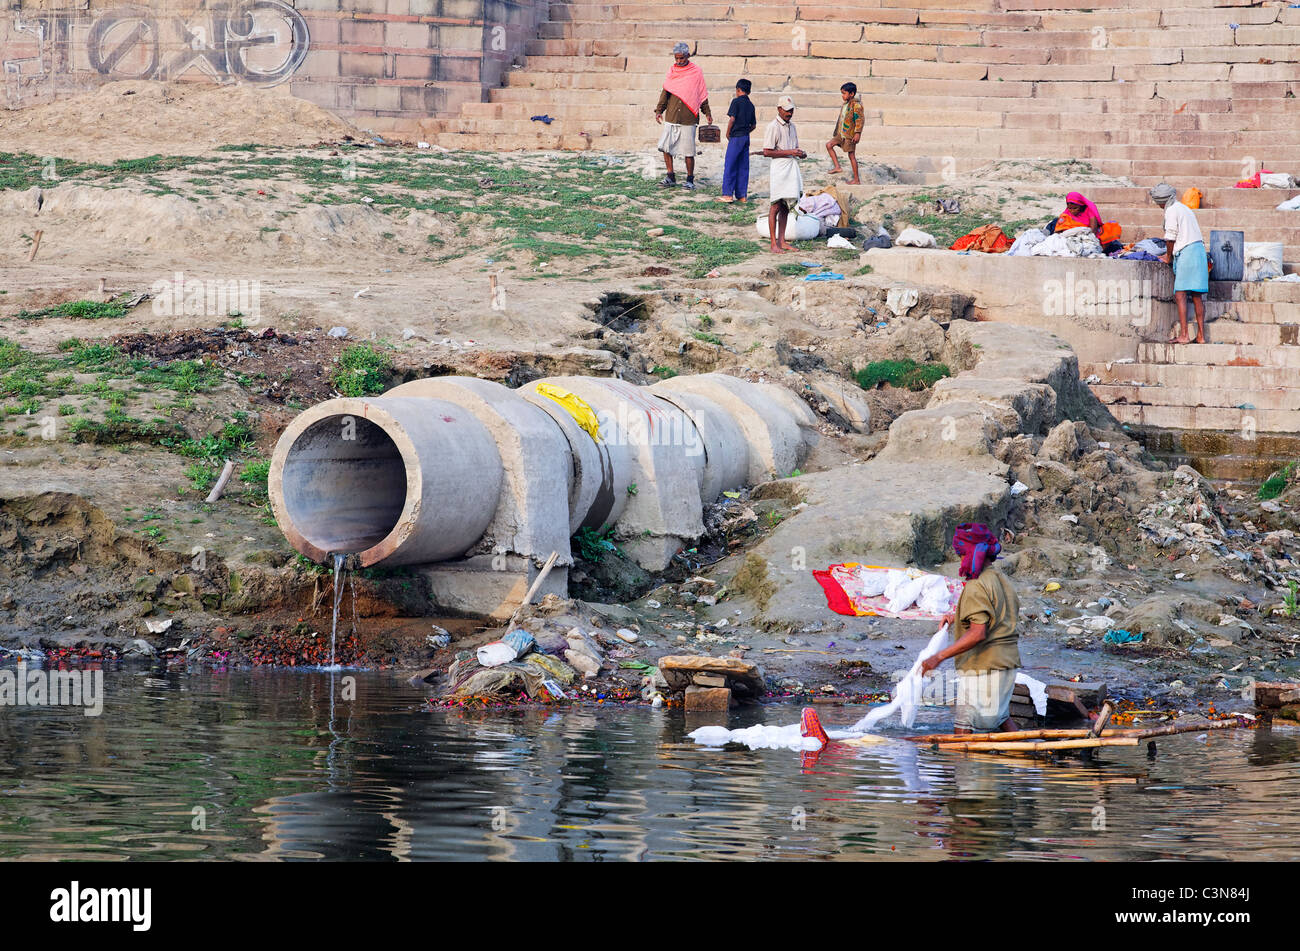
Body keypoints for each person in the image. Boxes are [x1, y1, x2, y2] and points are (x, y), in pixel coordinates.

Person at [919, 523, 1021, 735]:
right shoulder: (1000, 578)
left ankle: (964, 767)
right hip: (1007, 664)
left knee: (965, 727)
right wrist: (956, 616)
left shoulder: (976, 586)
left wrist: (938, 657)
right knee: (1001, 715)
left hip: (984, 668)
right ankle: (1025, 755)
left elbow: (978, 633)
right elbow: (993, 612)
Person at [1150, 182, 1208, 344]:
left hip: (1187, 253)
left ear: (1160, 201)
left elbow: (1170, 238)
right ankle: (1201, 336)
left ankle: (1184, 334)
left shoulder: (1171, 211)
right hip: (1199, 251)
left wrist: (1168, 257)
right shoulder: (1184, 208)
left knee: (1180, 294)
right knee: (1197, 296)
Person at [654, 42, 712, 190]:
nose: (679, 61)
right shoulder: (672, 71)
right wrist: (659, 110)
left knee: (688, 151)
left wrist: (707, 113)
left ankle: (690, 180)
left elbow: (701, 95)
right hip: (672, 116)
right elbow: (665, 92)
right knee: (666, 147)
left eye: (681, 58)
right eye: (676, 58)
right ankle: (670, 176)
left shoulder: (696, 72)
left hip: (689, 117)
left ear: (688, 56)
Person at [762, 95, 806, 254]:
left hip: (790, 166)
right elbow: (767, 151)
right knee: (775, 205)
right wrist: (791, 152)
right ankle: (773, 243)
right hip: (779, 167)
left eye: (791, 110)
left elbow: (794, 147)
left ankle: (782, 240)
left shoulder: (792, 126)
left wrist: (799, 153)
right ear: (779, 109)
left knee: (786, 205)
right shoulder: (773, 126)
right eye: (787, 111)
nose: (789, 113)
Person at [717, 78, 755, 204]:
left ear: (738, 90)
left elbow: (732, 119)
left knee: (730, 164)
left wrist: (728, 133)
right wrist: (745, 132)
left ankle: (728, 194)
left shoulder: (736, 101)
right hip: (745, 137)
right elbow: (753, 125)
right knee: (743, 166)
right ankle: (742, 195)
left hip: (736, 137)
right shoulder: (751, 105)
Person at [825, 82, 864, 184]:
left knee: (851, 156)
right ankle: (837, 167)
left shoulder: (856, 105)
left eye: (844, 93)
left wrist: (857, 133)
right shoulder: (845, 105)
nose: (842, 96)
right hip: (841, 133)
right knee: (829, 145)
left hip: (850, 135)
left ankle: (856, 179)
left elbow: (859, 120)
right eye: (842, 93)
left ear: (851, 94)